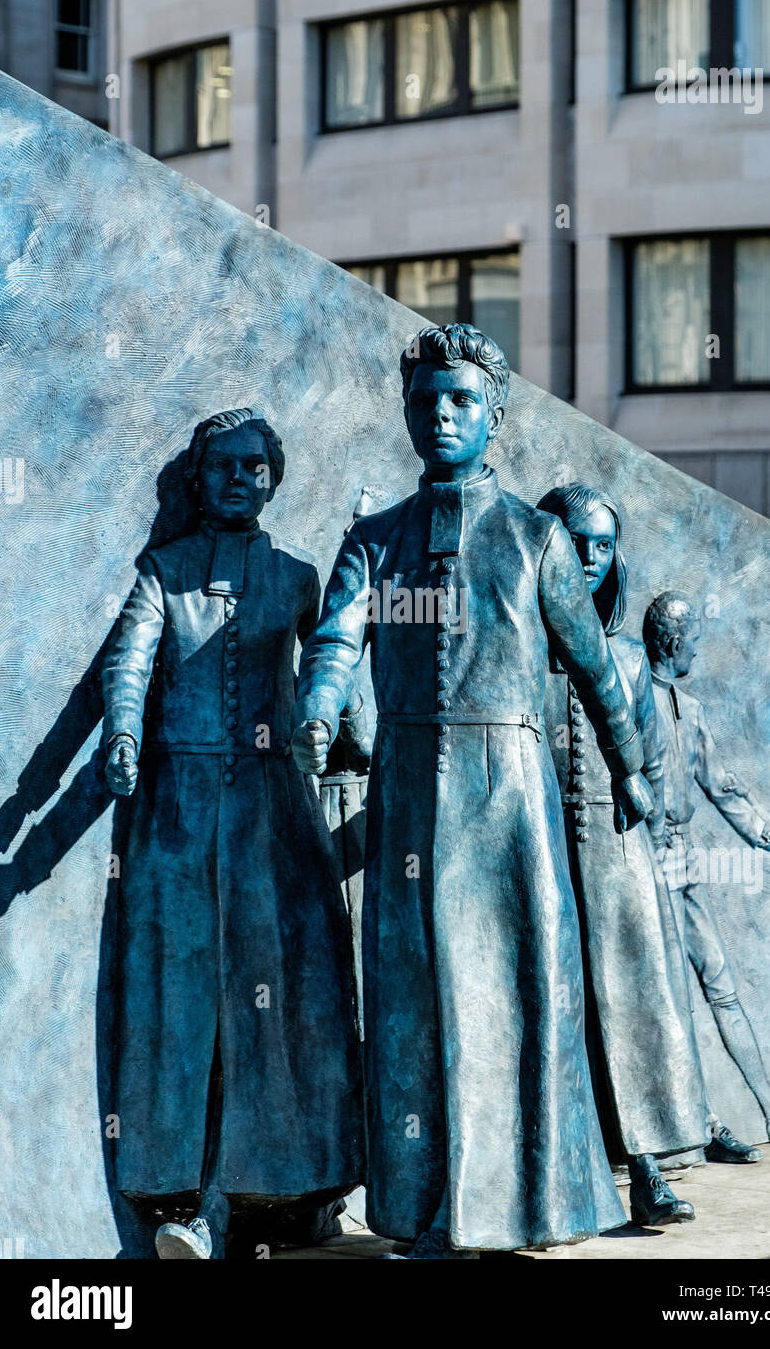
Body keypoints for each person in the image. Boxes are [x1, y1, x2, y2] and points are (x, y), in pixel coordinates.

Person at [292, 323, 652, 1257]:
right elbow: (337, 639)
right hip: (413, 788)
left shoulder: (536, 539)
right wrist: (317, 712)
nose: (440, 416)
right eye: (425, 401)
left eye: (460, 402)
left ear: (495, 417)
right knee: (416, 1003)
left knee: (520, 995)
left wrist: (631, 766)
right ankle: (426, 1209)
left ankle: (523, 1201)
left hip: (511, 802)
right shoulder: (374, 541)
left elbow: (595, 670)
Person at [102, 406, 364, 1258]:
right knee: (182, 1006)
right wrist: (124, 732)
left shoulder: (294, 576)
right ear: (198, 478)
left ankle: (289, 1194)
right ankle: (181, 1196)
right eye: (223, 466)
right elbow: (131, 658)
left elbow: (333, 664)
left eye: (255, 466)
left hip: (272, 817)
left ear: (274, 478)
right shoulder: (165, 569)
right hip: (178, 811)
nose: (240, 478)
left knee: (283, 1008)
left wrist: (346, 737)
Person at [537, 483, 707, 1227]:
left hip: (616, 859)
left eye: (602, 545)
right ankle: (559, 1176)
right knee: (555, 1010)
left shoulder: (631, 660)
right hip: (540, 850)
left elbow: (655, 777)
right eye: (575, 541)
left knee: (628, 1010)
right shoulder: (521, 652)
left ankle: (645, 1170)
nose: (588, 557)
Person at [643, 591, 770, 1150]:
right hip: (643, 859)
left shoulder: (692, 709)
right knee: (671, 998)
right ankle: (698, 1123)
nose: (698, 653)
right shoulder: (634, 700)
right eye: (694, 643)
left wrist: (763, 830)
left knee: (720, 984)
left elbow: (720, 782)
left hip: (682, 858)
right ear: (674, 642)